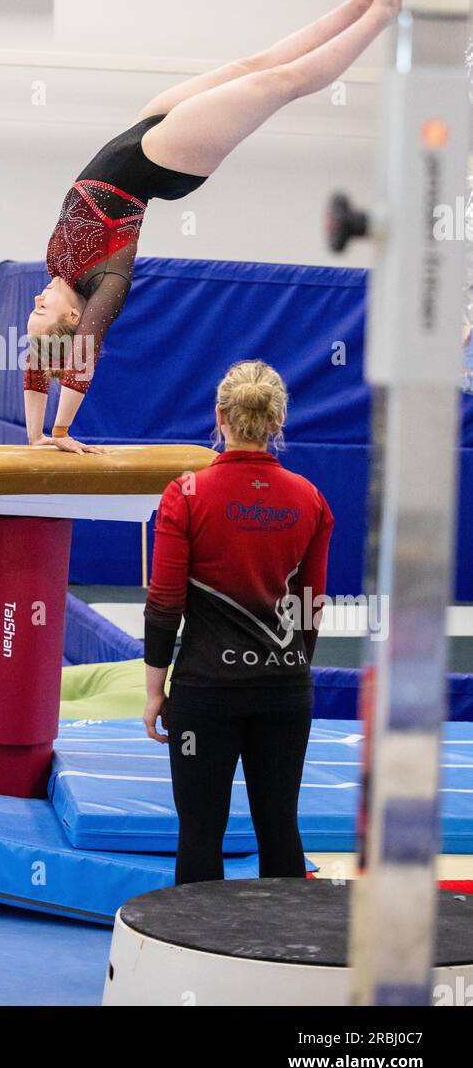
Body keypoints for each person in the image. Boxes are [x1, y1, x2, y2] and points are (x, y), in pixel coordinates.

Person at [24, 0, 403, 453]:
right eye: (41, 313)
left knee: (253, 66)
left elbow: (37, 368)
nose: (35, 301)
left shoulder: (60, 269)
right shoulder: (106, 281)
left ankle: (357, 5)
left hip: (140, 133)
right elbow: (84, 353)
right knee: (277, 83)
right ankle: (381, 15)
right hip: (163, 162)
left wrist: (33, 435)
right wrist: (60, 433)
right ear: (71, 319)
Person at [142, 360, 334, 885]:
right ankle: (292, 959)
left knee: (201, 833)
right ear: (278, 422)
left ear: (219, 415)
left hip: (207, 690)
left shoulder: (186, 494)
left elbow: (164, 603)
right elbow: (311, 604)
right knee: (280, 829)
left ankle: (196, 961)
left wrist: (155, 689)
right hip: (285, 689)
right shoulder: (310, 498)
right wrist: (290, 668)